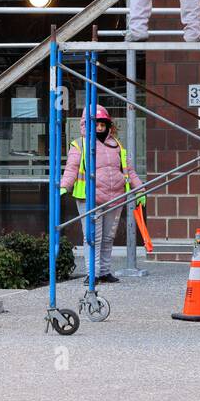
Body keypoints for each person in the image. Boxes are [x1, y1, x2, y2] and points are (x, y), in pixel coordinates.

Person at [60, 106, 141, 284]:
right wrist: (64, 185)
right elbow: (71, 168)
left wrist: (140, 190)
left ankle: (104, 271)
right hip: (89, 198)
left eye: (102, 124)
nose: (99, 128)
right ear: (86, 125)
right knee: (92, 238)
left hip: (115, 198)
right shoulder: (80, 144)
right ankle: (92, 274)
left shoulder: (117, 145)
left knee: (108, 237)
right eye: (95, 124)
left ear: (107, 125)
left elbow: (130, 171)